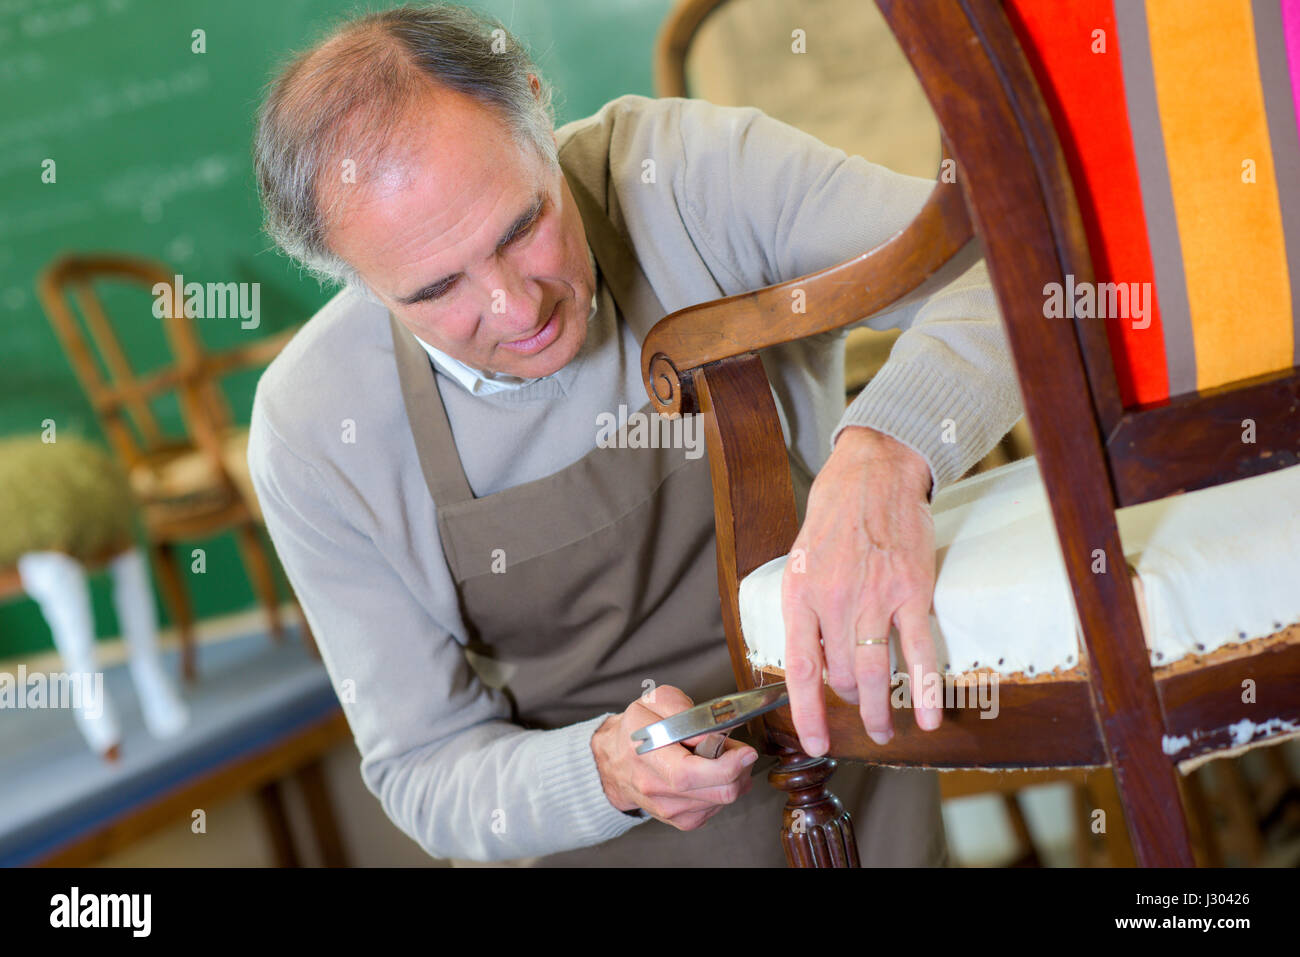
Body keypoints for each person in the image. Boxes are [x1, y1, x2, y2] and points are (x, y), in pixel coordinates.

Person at [247, 3, 1023, 866]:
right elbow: (423, 765)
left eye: (522, 227)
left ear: (536, 107)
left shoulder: (685, 176)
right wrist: (606, 773)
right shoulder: (314, 431)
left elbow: (1020, 267)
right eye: (436, 291)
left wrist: (886, 452)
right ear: (354, 277)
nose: (517, 308)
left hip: (858, 790)